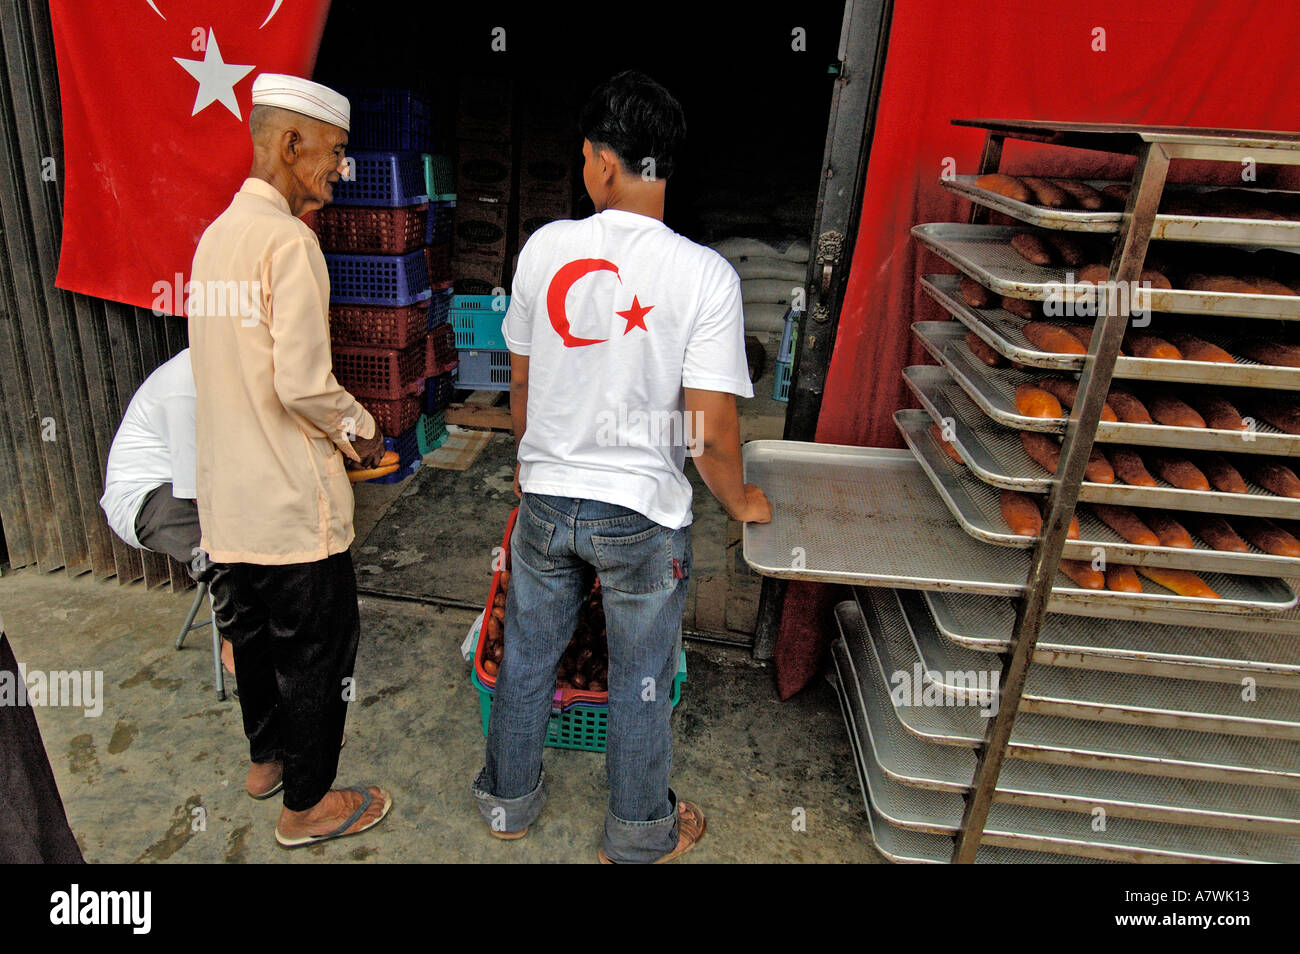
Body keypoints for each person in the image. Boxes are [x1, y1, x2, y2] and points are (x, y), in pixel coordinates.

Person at [471, 70, 773, 863]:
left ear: (604, 163)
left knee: (529, 657)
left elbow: (525, 385)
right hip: (642, 516)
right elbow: (708, 434)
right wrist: (742, 504)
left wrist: (529, 463)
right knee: (642, 681)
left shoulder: (543, 248)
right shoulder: (705, 275)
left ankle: (507, 803)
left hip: (547, 501)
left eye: (584, 158)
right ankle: (638, 836)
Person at [188, 73, 391, 849]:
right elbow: (304, 383)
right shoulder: (290, 243)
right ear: (288, 143)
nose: (341, 170)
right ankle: (306, 806)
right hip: (290, 512)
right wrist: (364, 433)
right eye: (334, 153)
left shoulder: (214, 239)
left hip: (230, 507)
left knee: (254, 641)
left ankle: (267, 761)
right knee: (315, 653)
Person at [99, 347, 235, 676]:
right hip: (145, 498)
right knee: (225, 556)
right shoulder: (185, 387)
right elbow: (198, 496)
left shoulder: (232, 368)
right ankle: (236, 652)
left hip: (186, 486)